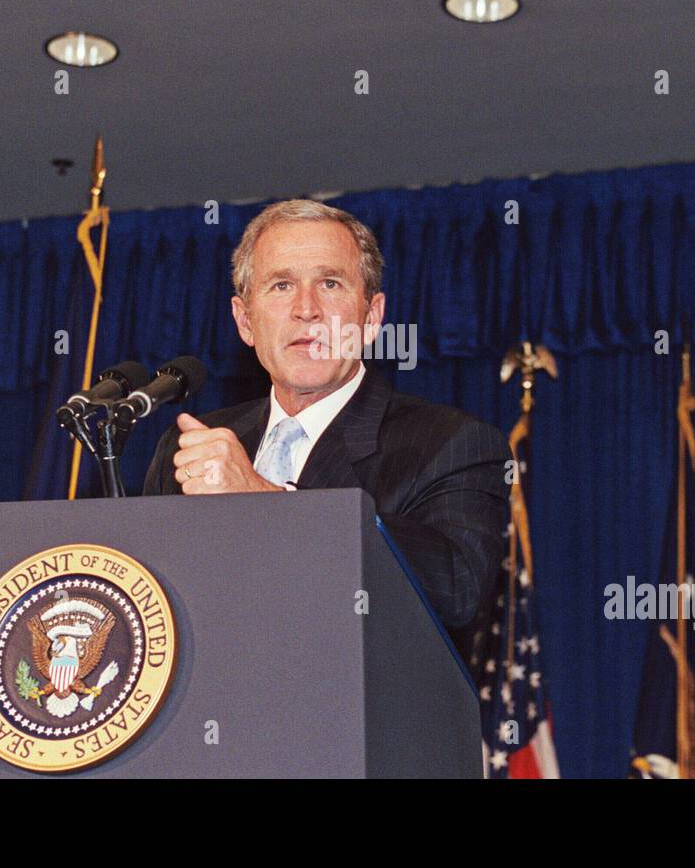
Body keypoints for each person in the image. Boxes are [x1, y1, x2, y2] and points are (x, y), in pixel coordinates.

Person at [141, 199, 510, 663]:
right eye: (281, 285)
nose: (306, 309)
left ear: (372, 318)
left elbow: (456, 594)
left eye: (330, 283)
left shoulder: (453, 443)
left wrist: (262, 500)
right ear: (245, 321)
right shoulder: (190, 445)